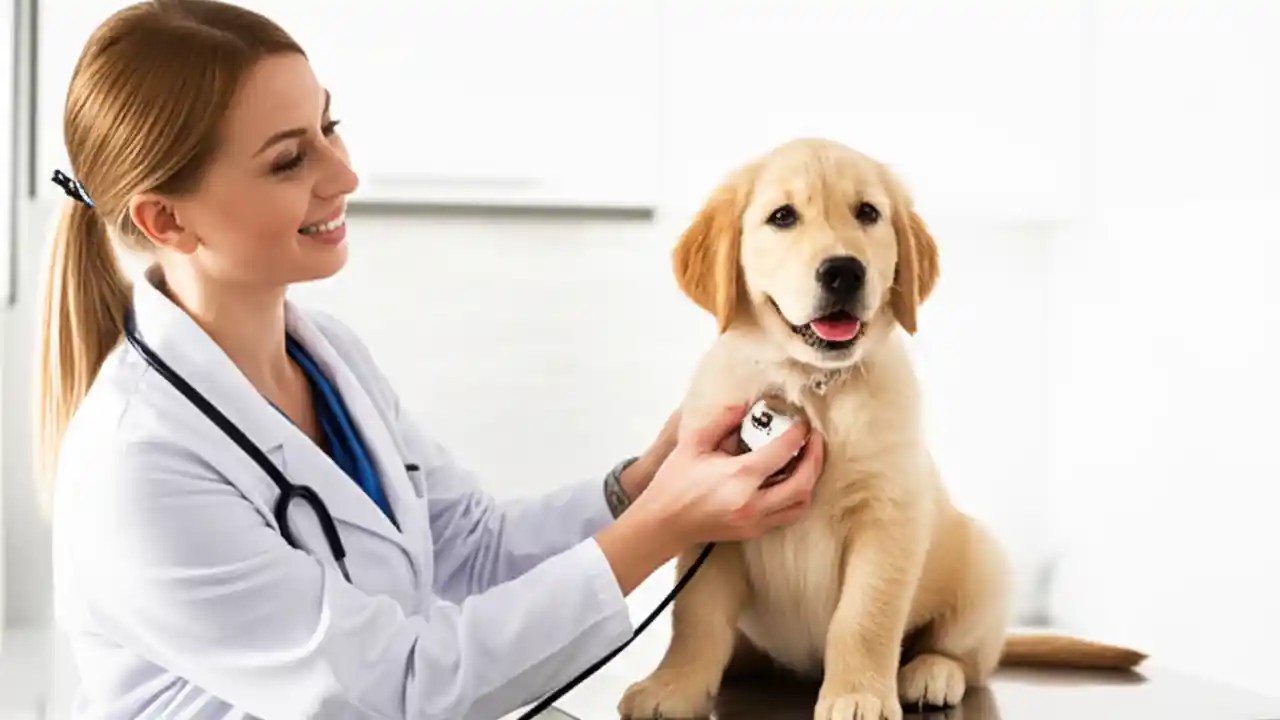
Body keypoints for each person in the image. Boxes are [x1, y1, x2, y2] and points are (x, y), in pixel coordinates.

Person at [36, 2, 826, 719]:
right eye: (288, 160)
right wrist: (663, 528)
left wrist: (639, 488)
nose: (343, 174)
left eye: (329, 128)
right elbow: (400, 690)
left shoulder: (325, 357)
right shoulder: (139, 466)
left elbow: (470, 550)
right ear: (165, 219)